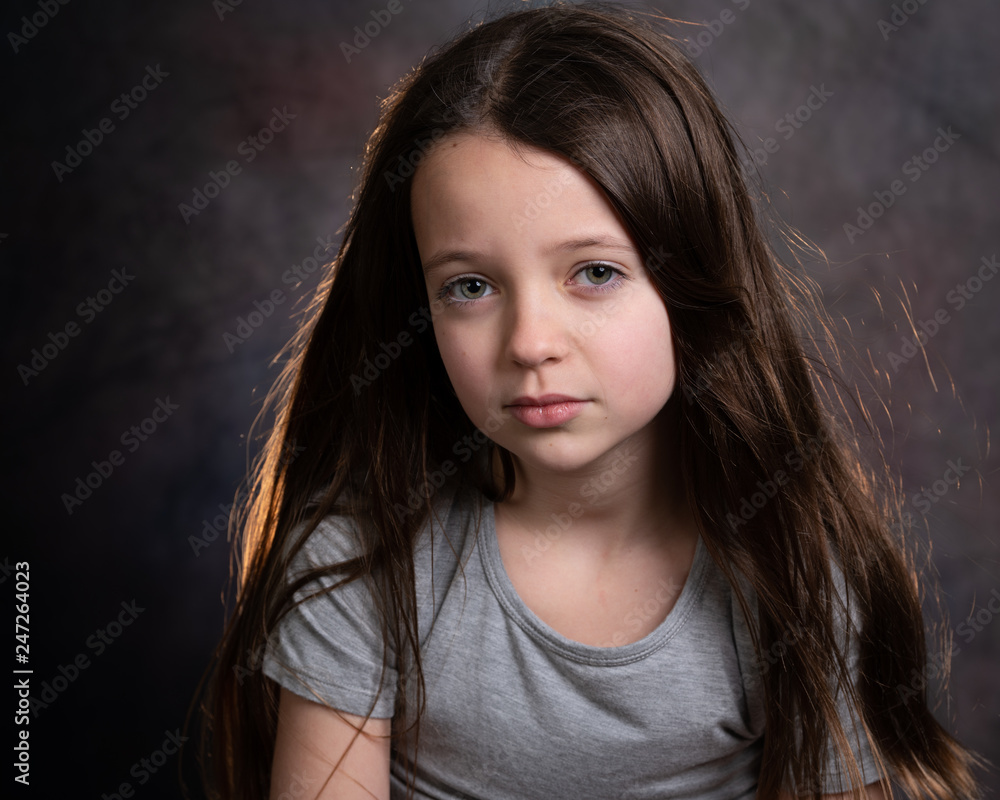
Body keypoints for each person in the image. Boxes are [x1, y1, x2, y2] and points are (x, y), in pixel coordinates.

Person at [195, 3, 981, 798]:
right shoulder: (364, 564)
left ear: (691, 281)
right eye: (470, 287)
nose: (531, 341)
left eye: (594, 273)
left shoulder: (792, 569)